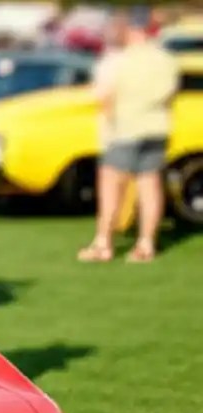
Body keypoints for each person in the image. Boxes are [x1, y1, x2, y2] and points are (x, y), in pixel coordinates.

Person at [79, 7, 178, 263]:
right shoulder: (166, 60)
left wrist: (109, 128)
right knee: (150, 187)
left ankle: (103, 244)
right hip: (157, 128)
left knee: (112, 189)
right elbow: (170, 95)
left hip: (123, 130)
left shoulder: (118, 61)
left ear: (131, 30)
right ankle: (146, 244)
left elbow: (104, 98)